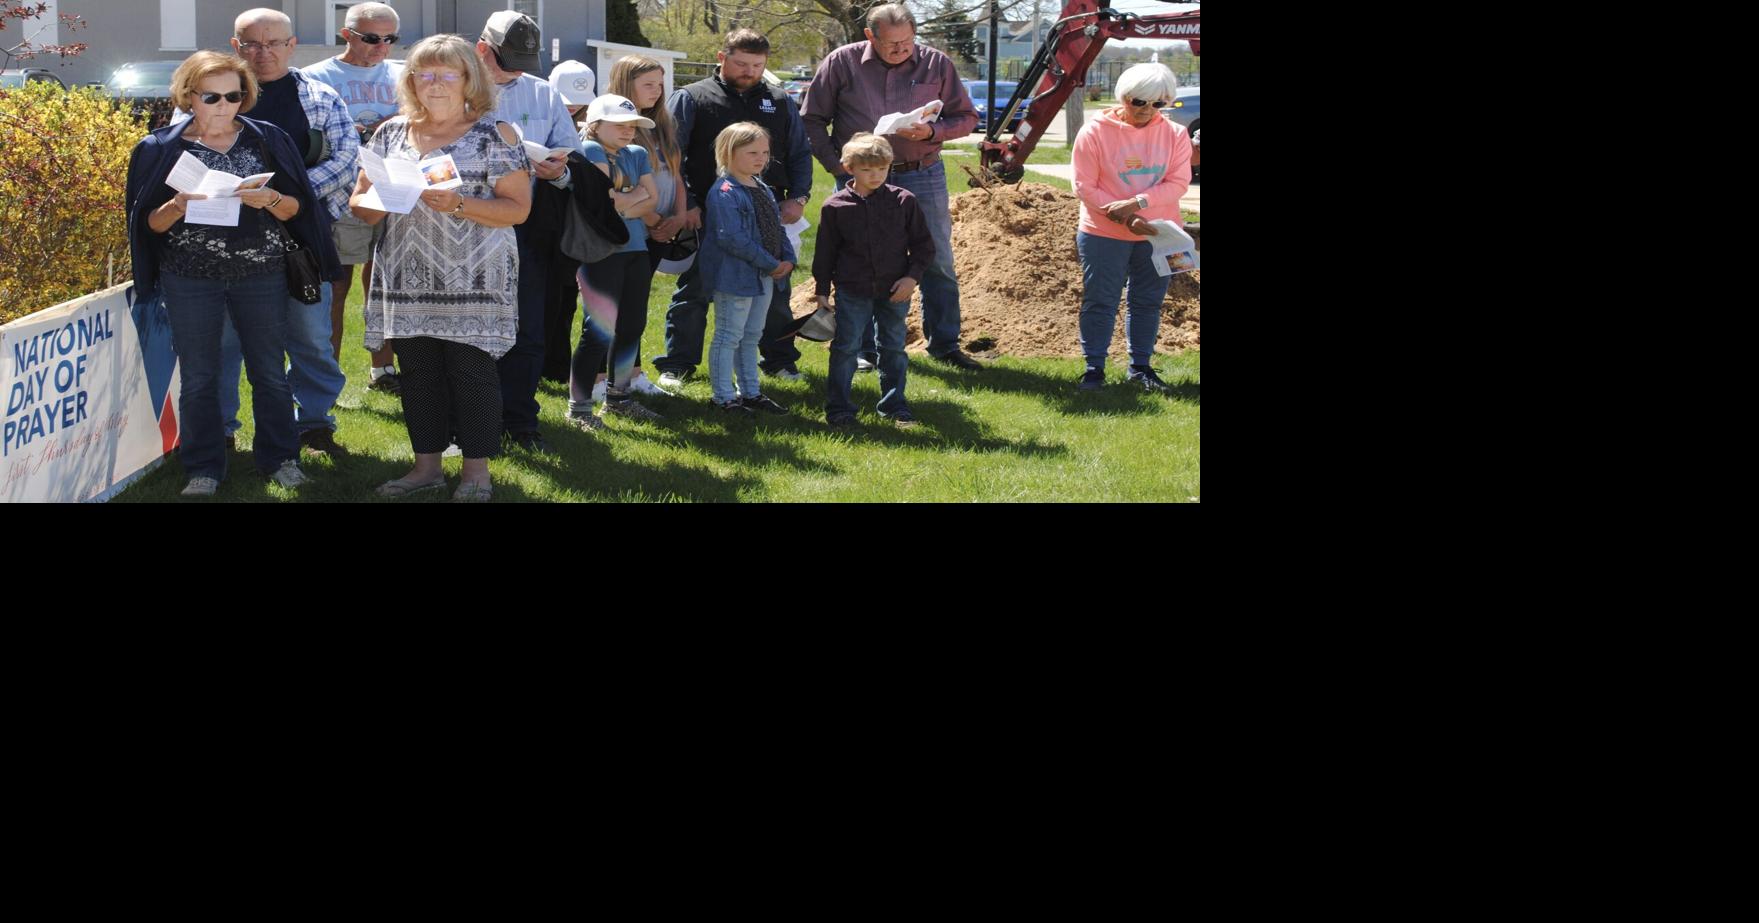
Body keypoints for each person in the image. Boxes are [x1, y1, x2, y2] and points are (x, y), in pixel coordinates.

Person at [124, 50, 335, 495]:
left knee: (269, 371)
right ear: (188, 96)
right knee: (200, 375)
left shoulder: (267, 139)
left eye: (234, 95)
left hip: (261, 275)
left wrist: (270, 201)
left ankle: (281, 459)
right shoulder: (160, 148)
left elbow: (299, 209)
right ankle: (203, 466)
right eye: (211, 96)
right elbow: (148, 225)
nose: (223, 105)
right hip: (189, 278)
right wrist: (178, 205)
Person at [350, 35, 532, 501]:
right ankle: (426, 469)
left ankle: (475, 473)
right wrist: (380, 200)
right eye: (424, 73)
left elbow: (517, 210)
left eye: (448, 74)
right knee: (419, 375)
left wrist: (457, 204)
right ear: (410, 80)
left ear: (470, 79)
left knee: (472, 374)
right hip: (407, 276)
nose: (435, 83)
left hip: (475, 278)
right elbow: (361, 206)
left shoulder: (497, 134)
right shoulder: (389, 133)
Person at [801, 2, 984, 372]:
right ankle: (864, 350)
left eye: (907, 42)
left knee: (936, 258)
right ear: (870, 35)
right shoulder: (841, 62)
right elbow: (811, 119)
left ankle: (945, 345)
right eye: (892, 44)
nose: (902, 50)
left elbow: (966, 118)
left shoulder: (937, 63)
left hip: (921, 172)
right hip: (860, 178)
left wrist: (933, 131)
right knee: (860, 259)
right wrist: (837, 165)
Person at [212, 8, 356, 456]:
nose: (263, 52)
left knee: (310, 336)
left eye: (274, 43)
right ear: (236, 47)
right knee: (225, 341)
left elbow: (348, 158)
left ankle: (313, 423)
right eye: (252, 44)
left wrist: (289, 197)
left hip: (302, 239)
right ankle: (221, 430)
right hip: (226, 239)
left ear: (292, 46)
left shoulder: (320, 96)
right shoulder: (215, 93)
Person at [652, 28, 813, 391]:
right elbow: (671, 157)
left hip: (768, 211)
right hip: (711, 211)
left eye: (757, 65)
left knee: (775, 289)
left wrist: (798, 197)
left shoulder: (779, 99)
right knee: (696, 289)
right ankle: (678, 363)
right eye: (741, 63)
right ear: (722, 58)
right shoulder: (693, 97)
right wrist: (687, 203)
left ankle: (779, 360)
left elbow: (801, 152)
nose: (749, 71)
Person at [475, 10, 581, 453]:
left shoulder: (543, 93)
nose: (517, 71)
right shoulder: (449, 87)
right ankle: (472, 422)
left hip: (529, 226)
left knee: (527, 327)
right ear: (482, 49)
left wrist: (557, 171)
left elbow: (572, 159)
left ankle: (520, 421)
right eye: (508, 61)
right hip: (466, 223)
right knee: (470, 330)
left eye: (525, 62)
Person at [1070, 62, 1192, 394]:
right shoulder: (1093, 132)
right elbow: (1084, 186)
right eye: (1139, 102)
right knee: (1100, 300)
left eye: (1158, 104)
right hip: (1102, 232)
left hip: (1161, 235)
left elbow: (1179, 183)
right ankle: (1094, 368)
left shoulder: (1175, 134)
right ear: (1123, 96)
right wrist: (1125, 217)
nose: (1147, 110)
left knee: (1148, 301)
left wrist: (1136, 204)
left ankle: (1140, 367)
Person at [304, 1, 404, 390]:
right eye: (372, 38)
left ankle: (383, 370)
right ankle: (328, 375)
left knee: (385, 282)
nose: (382, 46)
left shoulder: (403, 74)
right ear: (346, 35)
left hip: (396, 189)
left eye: (391, 38)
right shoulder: (316, 76)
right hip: (340, 191)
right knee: (337, 283)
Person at [813, 133, 932, 429]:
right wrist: (821, 289)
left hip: (894, 291)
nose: (875, 175)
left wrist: (911, 278)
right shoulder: (835, 207)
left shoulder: (904, 201)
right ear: (848, 168)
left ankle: (895, 407)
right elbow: (825, 251)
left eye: (882, 169)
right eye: (867, 170)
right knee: (845, 348)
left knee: (892, 348)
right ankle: (839, 408)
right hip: (852, 290)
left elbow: (924, 246)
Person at [564, 93, 664, 429]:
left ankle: (619, 400)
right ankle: (578, 409)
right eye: (619, 124)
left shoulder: (635, 153)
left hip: (636, 249)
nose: (628, 131)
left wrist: (624, 201)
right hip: (601, 251)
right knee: (599, 332)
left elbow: (652, 202)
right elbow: (605, 204)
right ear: (595, 124)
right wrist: (629, 199)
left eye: (632, 125)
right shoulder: (589, 149)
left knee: (632, 326)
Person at [697, 122, 794, 416]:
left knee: (752, 335)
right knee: (729, 335)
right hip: (735, 276)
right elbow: (733, 238)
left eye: (764, 152)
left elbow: (776, 227)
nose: (761, 158)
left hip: (763, 274)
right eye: (752, 152)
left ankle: (750, 392)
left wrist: (786, 258)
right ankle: (723, 397)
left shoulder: (761, 186)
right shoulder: (725, 191)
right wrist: (771, 263)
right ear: (728, 152)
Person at [537, 58, 594, 385]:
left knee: (564, 297)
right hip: (538, 217)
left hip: (569, 226)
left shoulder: (588, 129)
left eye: (580, 102)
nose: (572, 108)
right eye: (567, 100)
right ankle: (540, 361)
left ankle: (557, 365)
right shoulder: (541, 113)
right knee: (541, 296)